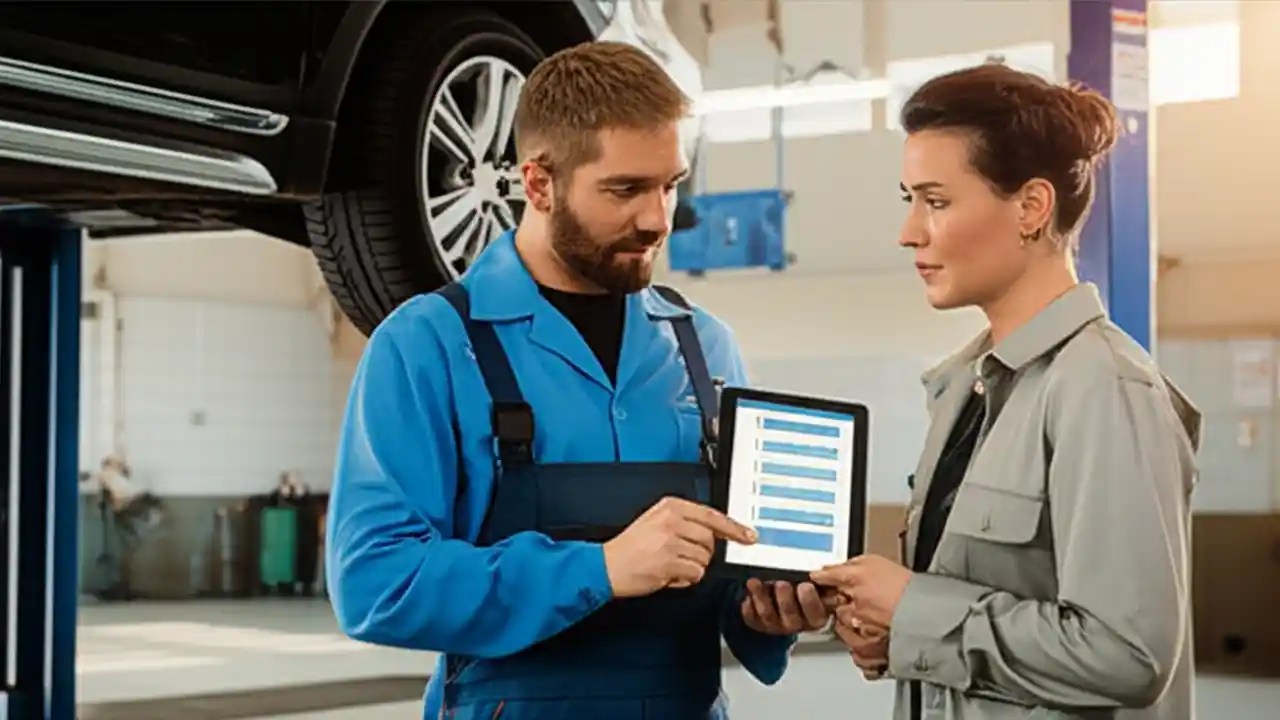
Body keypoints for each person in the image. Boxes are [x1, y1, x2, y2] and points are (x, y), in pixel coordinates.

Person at [325, 41, 829, 720]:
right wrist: (598, 571)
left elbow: (731, 581)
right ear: (539, 184)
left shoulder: (705, 347)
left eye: (670, 184)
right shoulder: (428, 346)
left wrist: (768, 612)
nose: (658, 219)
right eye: (625, 190)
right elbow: (374, 581)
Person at [810, 63, 1202, 720]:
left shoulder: (1106, 389)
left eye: (935, 201)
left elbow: (1128, 656)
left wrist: (913, 608)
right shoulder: (965, 389)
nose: (909, 231)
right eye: (909, 199)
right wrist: (895, 634)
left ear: (1030, 207)